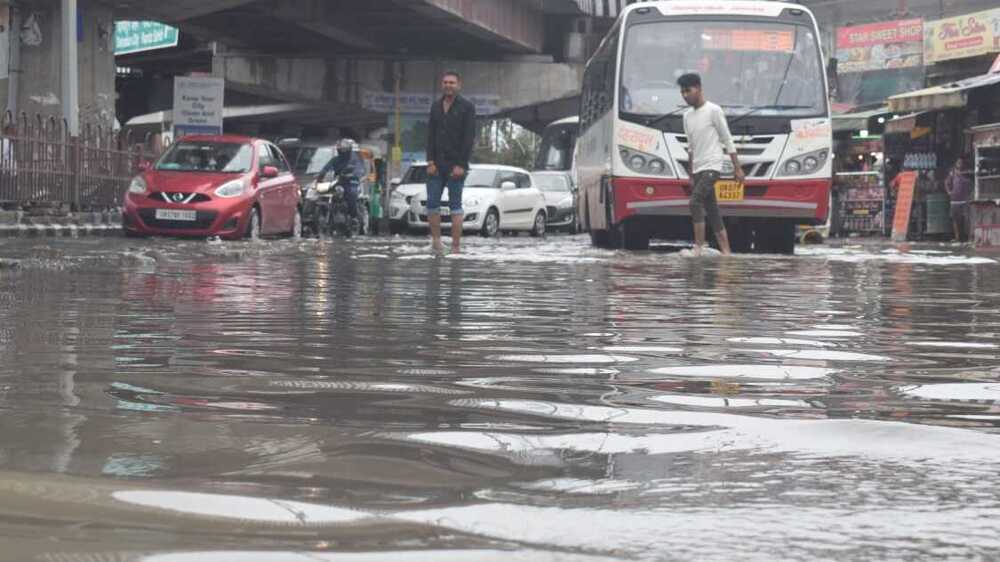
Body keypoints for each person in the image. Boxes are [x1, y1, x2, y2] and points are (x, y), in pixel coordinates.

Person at [678, 73, 745, 255]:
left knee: (694, 202)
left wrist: (737, 168)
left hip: (713, 166)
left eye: (688, 91)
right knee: (713, 211)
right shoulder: (687, 116)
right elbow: (690, 146)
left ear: (698, 88)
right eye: (682, 92)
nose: (685, 95)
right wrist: (691, 174)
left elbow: (727, 139)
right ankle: (726, 252)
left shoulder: (713, 110)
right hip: (698, 168)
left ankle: (698, 247)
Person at [426, 70, 476, 254]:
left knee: (455, 206)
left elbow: (468, 138)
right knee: (432, 204)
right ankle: (436, 243)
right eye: (445, 82)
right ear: (442, 84)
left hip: (456, 165)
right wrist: (430, 161)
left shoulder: (467, 107)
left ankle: (455, 246)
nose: (448, 85)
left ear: (458, 85)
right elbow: (430, 135)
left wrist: (461, 165)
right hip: (436, 164)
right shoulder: (436, 107)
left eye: (452, 82)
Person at [319, 138, 365, 224]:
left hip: (351, 183)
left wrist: (353, 175)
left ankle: (353, 216)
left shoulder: (354, 159)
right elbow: (327, 167)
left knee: (351, 194)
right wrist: (320, 175)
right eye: (341, 150)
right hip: (338, 182)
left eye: (345, 150)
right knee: (322, 192)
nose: (343, 152)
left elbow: (360, 170)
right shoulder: (335, 159)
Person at [945, 155, 972, 242]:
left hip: (963, 200)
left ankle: (965, 236)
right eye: (958, 162)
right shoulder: (952, 173)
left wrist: (962, 177)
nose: (959, 164)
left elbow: (970, 183)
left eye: (961, 162)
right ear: (956, 163)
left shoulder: (965, 173)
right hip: (954, 201)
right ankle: (957, 237)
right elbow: (946, 182)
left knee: (964, 218)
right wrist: (949, 192)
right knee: (955, 219)